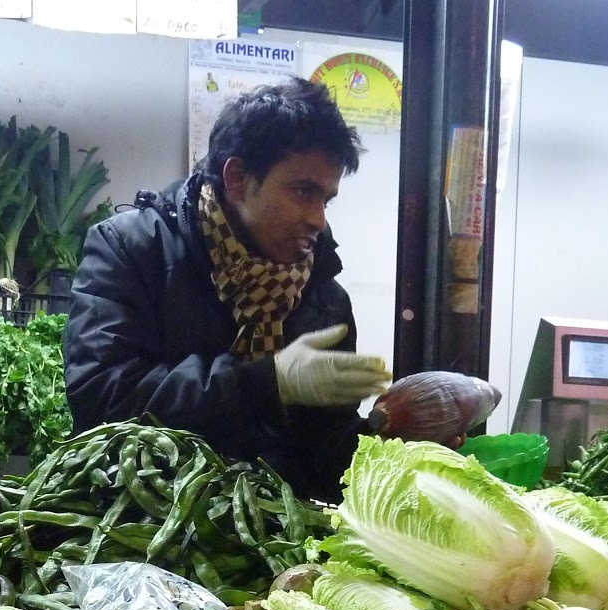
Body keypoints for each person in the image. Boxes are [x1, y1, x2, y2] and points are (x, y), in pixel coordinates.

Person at [64, 78, 391, 501]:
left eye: (326, 200)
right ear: (237, 178)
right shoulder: (130, 250)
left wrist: (382, 436)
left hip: (264, 545)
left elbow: (323, 465)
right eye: (303, 191)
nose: (317, 219)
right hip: (136, 524)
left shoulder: (325, 301)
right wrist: (266, 383)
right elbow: (103, 400)